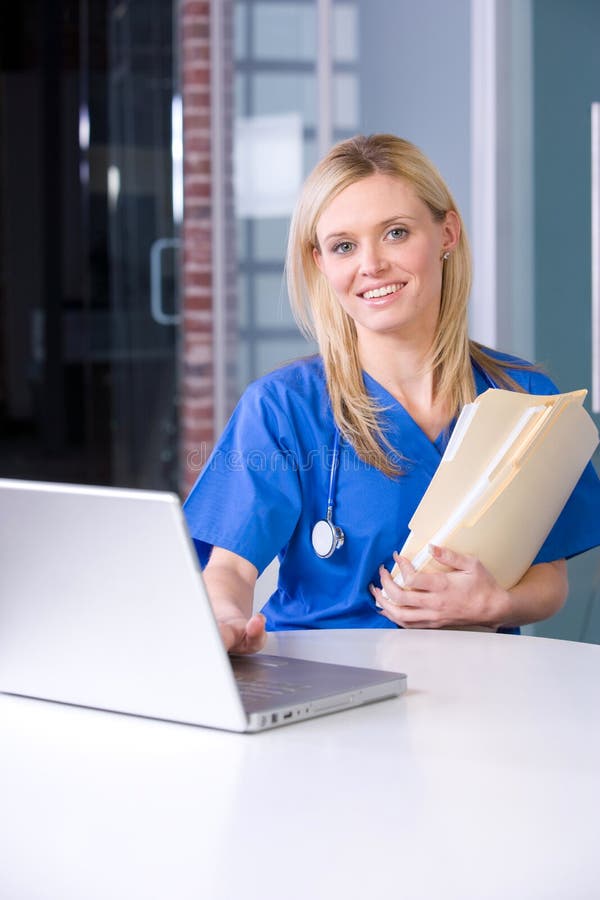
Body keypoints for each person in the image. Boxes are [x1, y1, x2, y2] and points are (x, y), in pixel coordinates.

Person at [183, 133, 600, 654]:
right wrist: (224, 621)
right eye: (343, 246)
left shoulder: (525, 399)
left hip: (477, 689)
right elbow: (229, 568)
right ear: (320, 262)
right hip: (322, 684)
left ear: (447, 232)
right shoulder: (282, 408)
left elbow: (549, 578)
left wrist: (493, 605)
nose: (372, 264)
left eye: (396, 233)